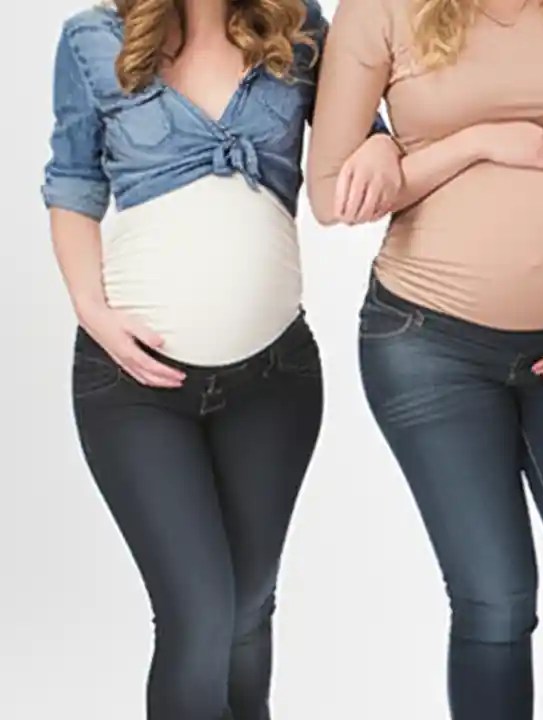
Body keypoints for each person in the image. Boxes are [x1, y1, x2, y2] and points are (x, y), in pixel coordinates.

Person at [42, 1, 398, 717]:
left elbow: (355, 131)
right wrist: (93, 311)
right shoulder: (93, 39)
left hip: (274, 383)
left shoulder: (298, 27)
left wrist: (382, 142)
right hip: (133, 387)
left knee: (245, 613)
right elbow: (72, 186)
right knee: (199, 617)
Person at [306, 1, 543, 718]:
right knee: (496, 606)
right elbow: (329, 194)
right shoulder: (381, 10)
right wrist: (483, 142)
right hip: (432, 348)